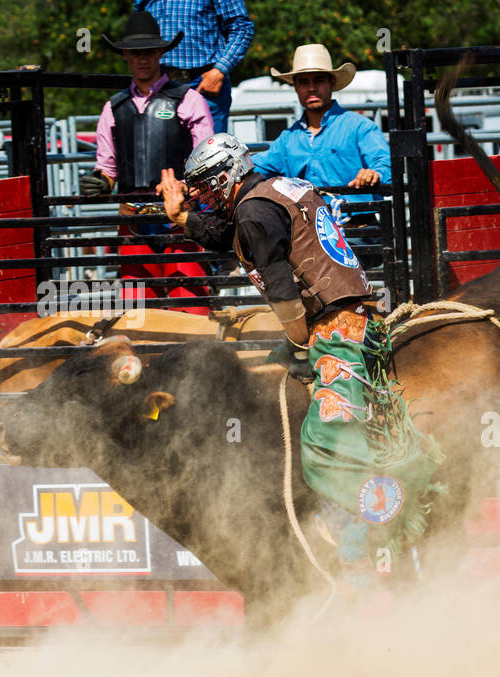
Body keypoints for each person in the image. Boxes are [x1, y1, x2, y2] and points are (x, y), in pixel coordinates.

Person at [159, 135, 439, 579]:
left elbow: (284, 295)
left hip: (336, 328)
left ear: (227, 175)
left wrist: (299, 342)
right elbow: (229, 236)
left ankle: (359, 549)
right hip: (346, 312)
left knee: (324, 444)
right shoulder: (273, 190)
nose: (201, 194)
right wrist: (181, 217)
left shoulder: (251, 210)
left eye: (206, 184)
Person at [81, 11, 213, 313]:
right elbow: (108, 168)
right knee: (137, 307)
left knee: (190, 304)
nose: (143, 59)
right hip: (134, 218)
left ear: (160, 53)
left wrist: (185, 185)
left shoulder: (188, 100)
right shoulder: (114, 108)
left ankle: (198, 357)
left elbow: (208, 161)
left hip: (179, 215)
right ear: (126, 56)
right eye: (136, 53)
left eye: (150, 52)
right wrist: (101, 181)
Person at [255, 44, 391, 266]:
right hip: (309, 237)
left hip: (358, 233)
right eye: (304, 82)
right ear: (296, 88)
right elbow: (255, 167)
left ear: (331, 84)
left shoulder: (359, 127)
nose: (311, 88)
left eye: (318, 80)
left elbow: (386, 166)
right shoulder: (288, 140)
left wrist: (374, 174)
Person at [134, 0, 254, 134]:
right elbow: (139, 29)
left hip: (205, 84)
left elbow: (242, 28)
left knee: (208, 152)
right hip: (159, 84)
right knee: (160, 150)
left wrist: (219, 71)